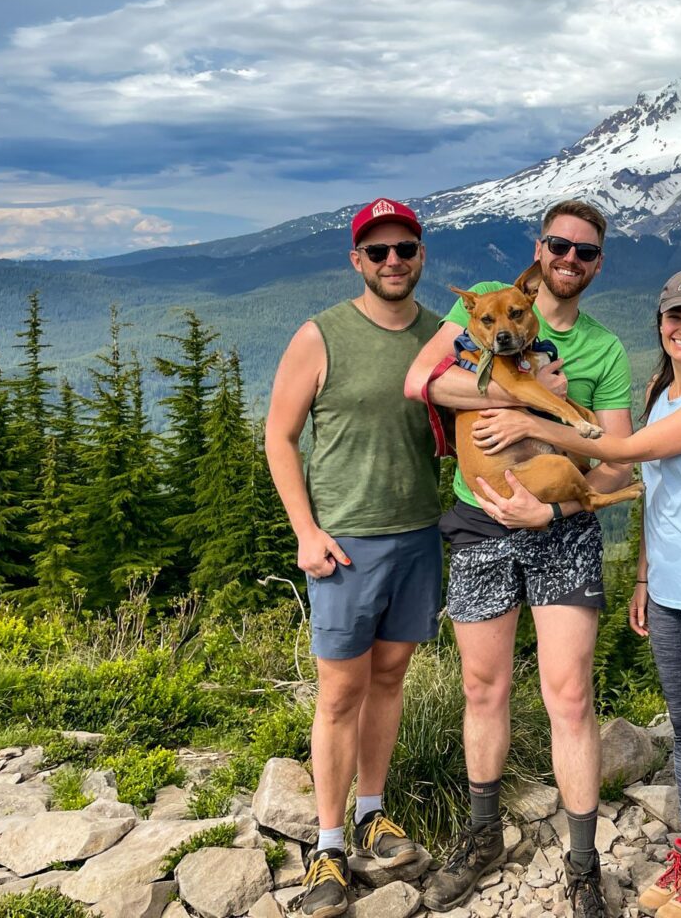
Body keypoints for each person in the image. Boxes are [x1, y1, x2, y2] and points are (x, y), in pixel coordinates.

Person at [470, 270, 681, 918]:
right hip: (671, 590)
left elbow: (625, 449)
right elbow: (654, 493)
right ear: (661, 322)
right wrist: (644, 577)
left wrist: (528, 427)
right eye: (674, 318)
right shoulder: (660, 389)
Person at [402, 199, 634, 918]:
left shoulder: (603, 349)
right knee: (483, 688)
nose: (570, 259)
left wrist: (554, 503)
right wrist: (519, 391)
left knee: (568, 696)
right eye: (560, 246)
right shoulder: (475, 318)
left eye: (585, 253)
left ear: (594, 267)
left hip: (558, 524)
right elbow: (421, 381)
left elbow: (616, 457)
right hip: (478, 520)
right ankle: (481, 837)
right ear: (538, 255)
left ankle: (584, 863)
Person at [264, 199, 444, 918]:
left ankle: (373, 812)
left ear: (421, 255)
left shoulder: (443, 335)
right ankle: (328, 846)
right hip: (345, 541)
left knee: (391, 677)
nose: (393, 261)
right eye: (379, 252)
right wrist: (306, 531)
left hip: (418, 534)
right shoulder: (322, 335)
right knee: (340, 693)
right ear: (357, 262)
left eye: (405, 249)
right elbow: (280, 437)